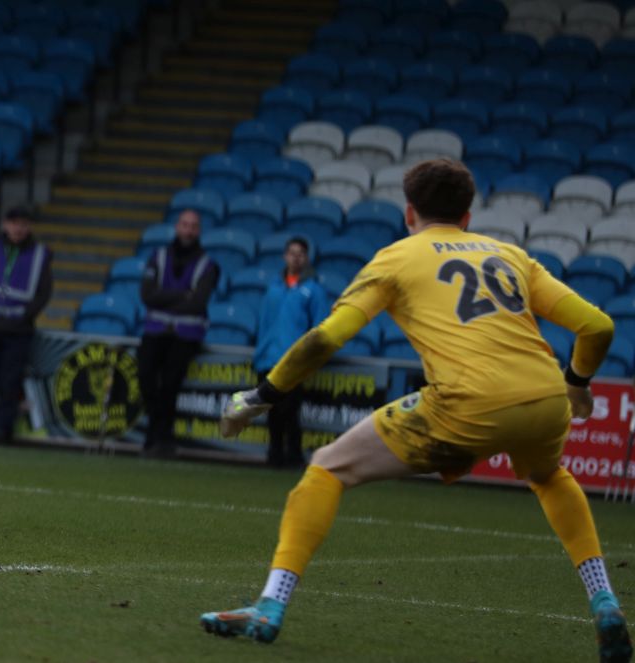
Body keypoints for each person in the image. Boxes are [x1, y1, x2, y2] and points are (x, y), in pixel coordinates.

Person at [200, 159, 631, 662]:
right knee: (550, 477)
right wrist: (577, 384)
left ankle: (270, 605)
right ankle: (604, 598)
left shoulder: (397, 258)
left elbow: (325, 339)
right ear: (466, 217)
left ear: (409, 213)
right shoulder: (510, 255)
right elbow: (598, 326)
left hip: (466, 403)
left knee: (326, 467)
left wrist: (260, 397)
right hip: (546, 398)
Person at [138, 209, 219, 458]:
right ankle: (157, 433)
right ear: (177, 227)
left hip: (186, 334)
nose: (188, 230)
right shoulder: (158, 256)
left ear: (199, 230)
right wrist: (183, 295)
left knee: (170, 385)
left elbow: (198, 302)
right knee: (145, 378)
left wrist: (164, 298)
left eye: (193, 226)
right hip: (155, 331)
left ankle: (161, 438)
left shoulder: (208, 264)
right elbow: (147, 296)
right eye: (185, 224)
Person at [0, 204, 53, 444]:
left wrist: (25, 315)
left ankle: (3, 433)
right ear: (5, 224)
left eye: (23, 224)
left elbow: (44, 292)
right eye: (14, 223)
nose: (18, 228)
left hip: (19, 331)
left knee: (10, 384)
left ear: (29, 227)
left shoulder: (40, 254)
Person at [253, 236, 329, 468]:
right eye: (292, 253)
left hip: (294, 360)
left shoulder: (314, 290)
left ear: (306, 258)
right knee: (272, 410)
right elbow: (264, 322)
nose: (296, 258)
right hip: (269, 357)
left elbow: (320, 327)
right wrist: (259, 352)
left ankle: (294, 455)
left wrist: (309, 358)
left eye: (300, 254)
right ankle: (274, 454)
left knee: (290, 410)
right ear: (285, 256)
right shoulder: (273, 287)